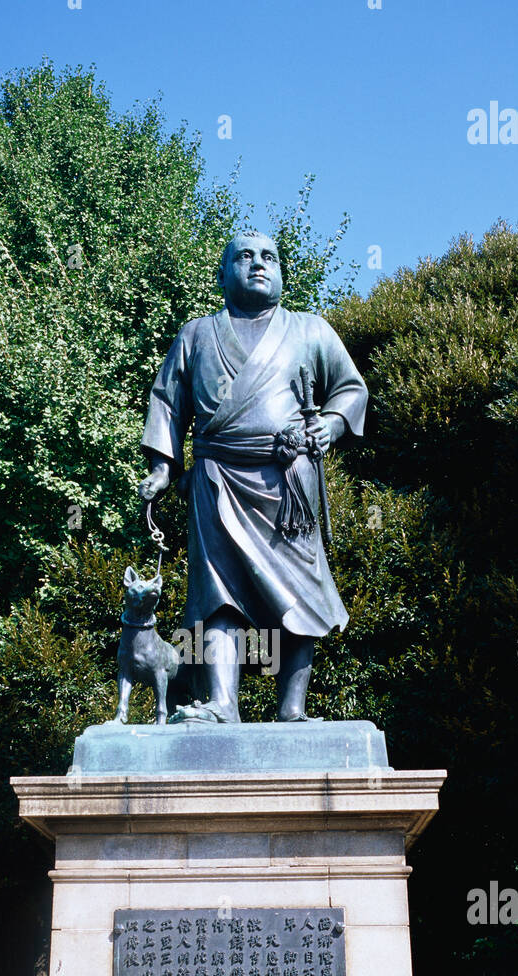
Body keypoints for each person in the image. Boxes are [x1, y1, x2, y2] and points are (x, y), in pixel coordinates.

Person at [138, 230, 368, 722]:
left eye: (269, 256)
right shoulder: (196, 334)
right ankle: (222, 703)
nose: (258, 264)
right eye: (244, 257)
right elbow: (166, 401)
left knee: (300, 591)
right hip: (217, 478)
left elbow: (351, 388)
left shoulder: (309, 330)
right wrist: (162, 468)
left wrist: (331, 423)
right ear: (223, 275)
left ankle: (293, 708)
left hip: (288, 482)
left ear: (281, 271)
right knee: (217, 593)